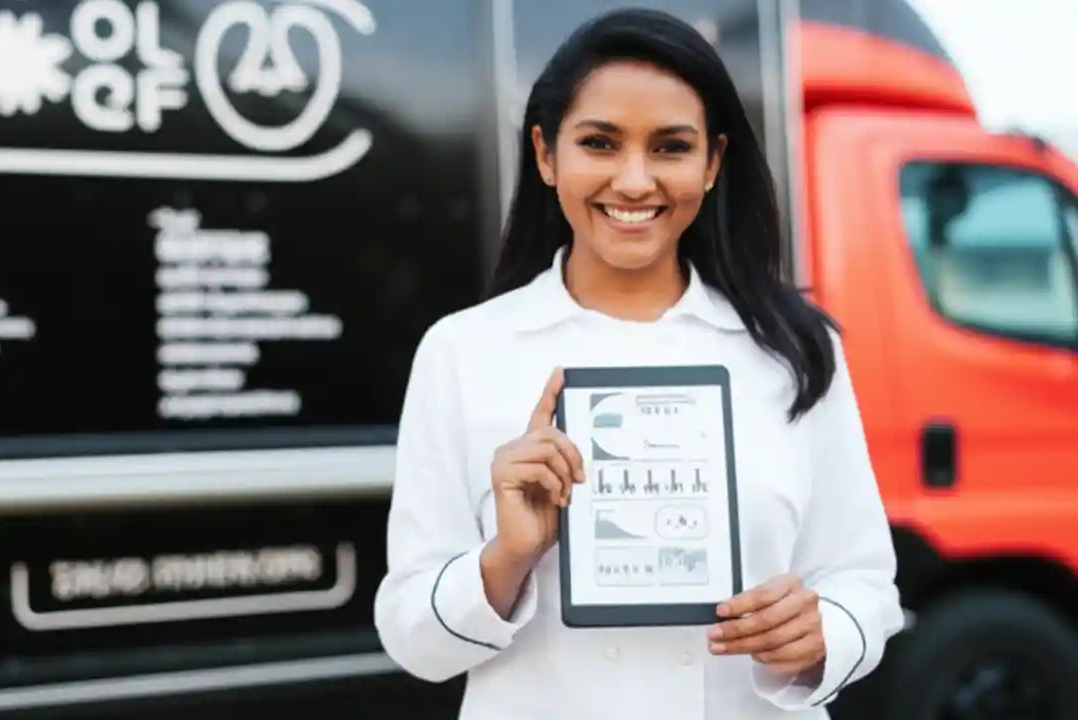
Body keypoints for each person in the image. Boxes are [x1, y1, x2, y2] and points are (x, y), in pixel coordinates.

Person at [373, 7, 904, 719]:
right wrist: (506, 558)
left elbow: (864, 582)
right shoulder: (463, 352)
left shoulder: (793, 349)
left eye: (670, 148)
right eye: (599, 142)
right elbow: (412, 639)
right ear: (545, 153)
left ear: (713, 163)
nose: (633, 181)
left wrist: (822, 634)